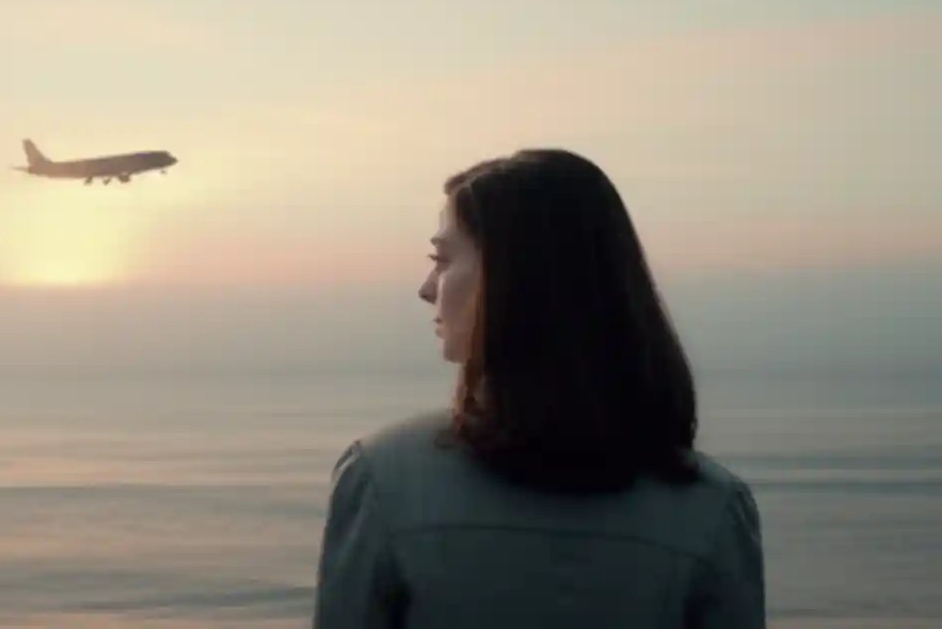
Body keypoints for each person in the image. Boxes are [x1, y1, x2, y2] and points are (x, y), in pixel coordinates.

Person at [312, 149, 764, 628]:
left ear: (514, 278)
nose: (427, 288)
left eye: (443, 260)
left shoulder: (382, 479)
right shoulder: (712, 507)